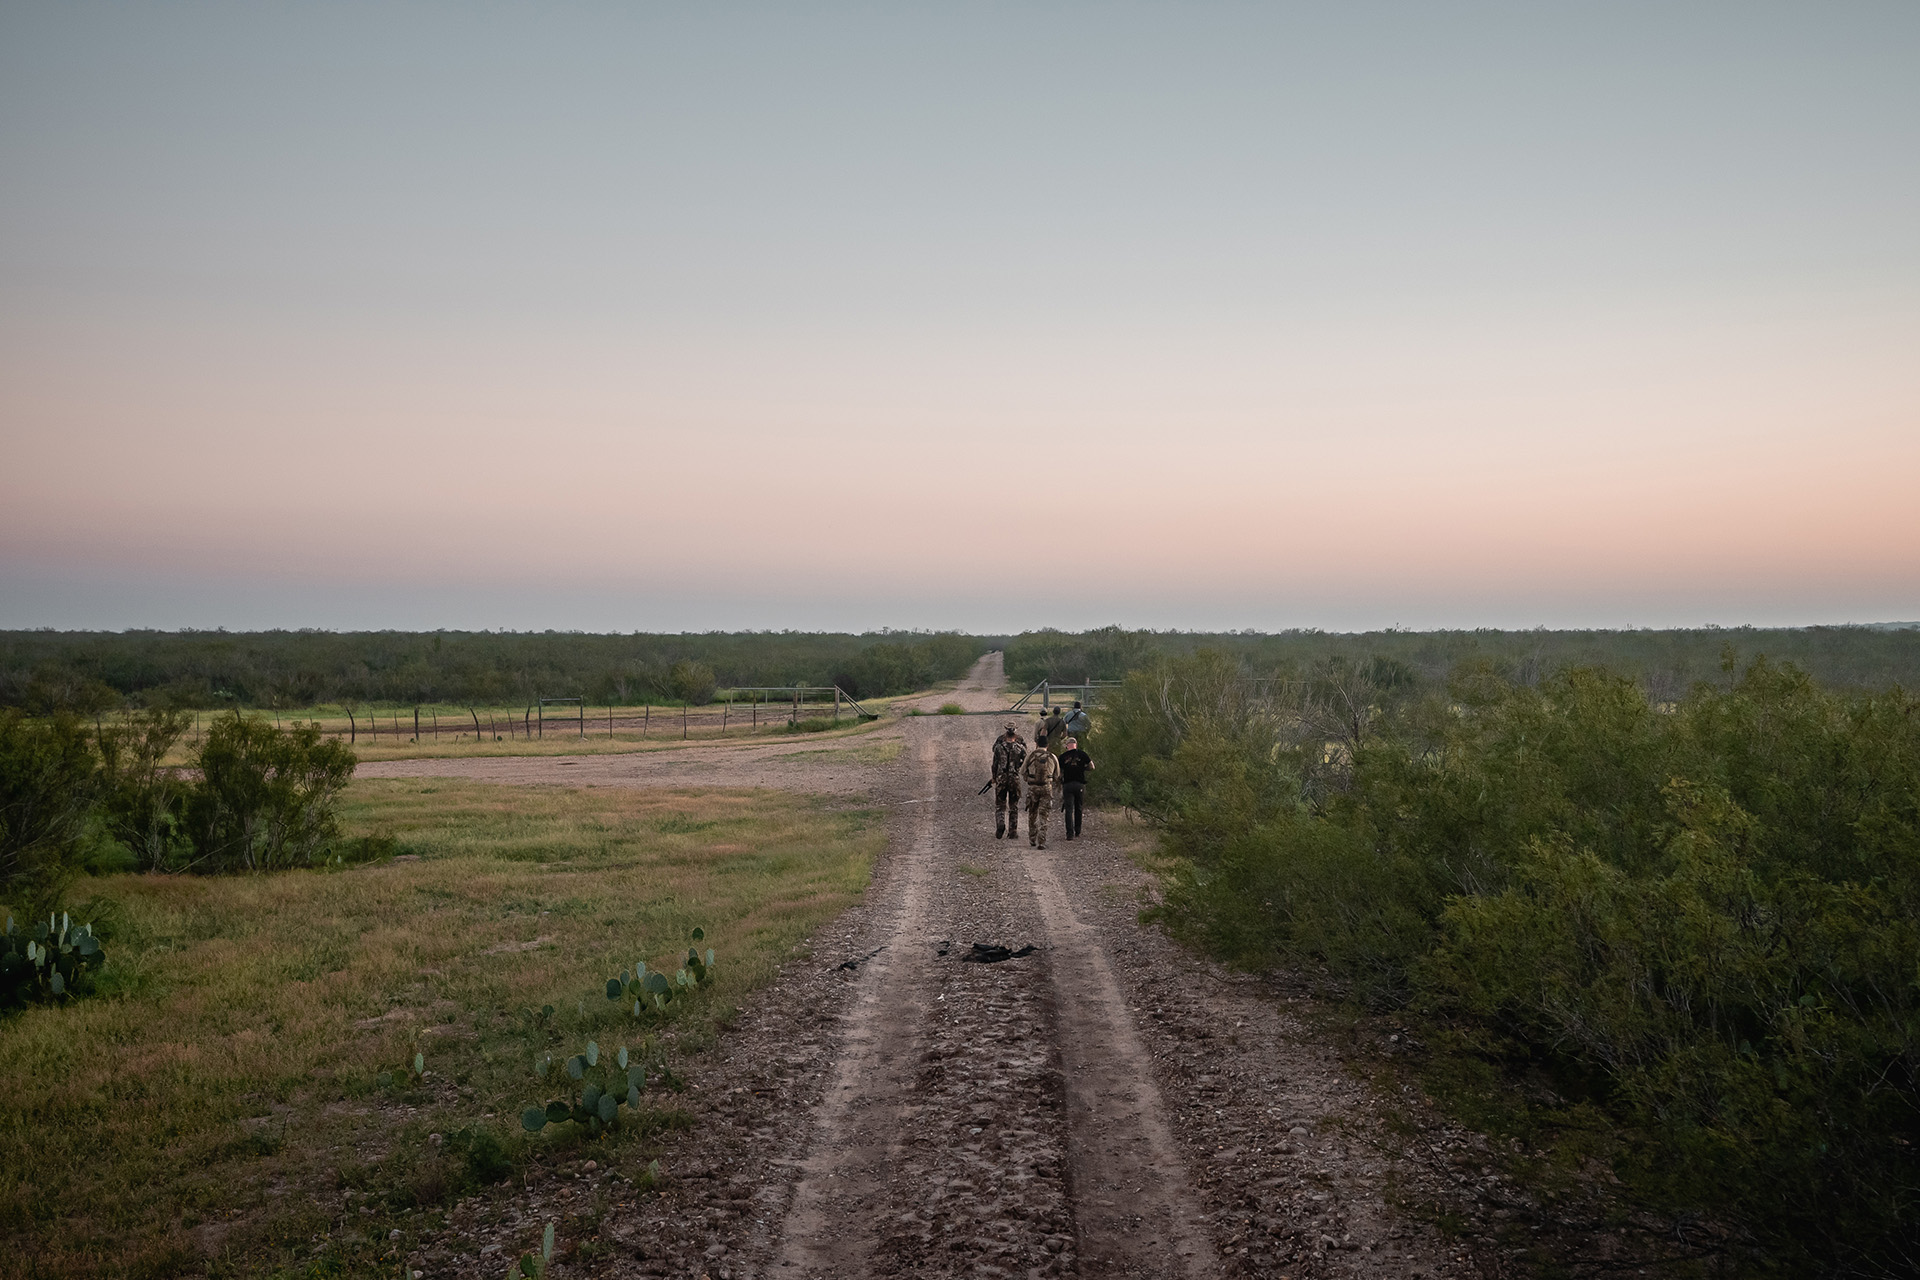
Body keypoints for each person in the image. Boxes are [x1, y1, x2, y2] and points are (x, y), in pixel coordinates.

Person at [1022, 733, 1061, 848]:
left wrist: (1029, 778)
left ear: (1036, 744)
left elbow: (1022, 771)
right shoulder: (1052, 757)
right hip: (1046, 788)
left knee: (1032, 813)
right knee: (1044, 814)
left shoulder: (1030, 756)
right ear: (1047, 745)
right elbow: (1057, 775)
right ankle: (1042, 841)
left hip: (1033, 788)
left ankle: (1032, 838)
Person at [990, 724, 1026, 840]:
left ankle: (1000, 824)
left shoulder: (999, 747)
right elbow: (1024, 761)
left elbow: (994, 764)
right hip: (1014, 778)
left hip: (1001, 778)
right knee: (1013, 806)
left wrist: (994, 777)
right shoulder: (1020, 748)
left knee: (1000, 805)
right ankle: (1013, 831)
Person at [1058, 735, 1094, 838]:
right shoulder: (1082, 754)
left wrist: (1061, 780)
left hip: (1068, 785)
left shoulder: (1062, 756)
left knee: (1069, 809)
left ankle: (1069, 833)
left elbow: (1059, 772)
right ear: (1076, 745)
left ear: (1067, 746)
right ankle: (1078, 830)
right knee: (1079, 807)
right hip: (1080, 784)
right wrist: (1083, 769)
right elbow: (1092, 766)